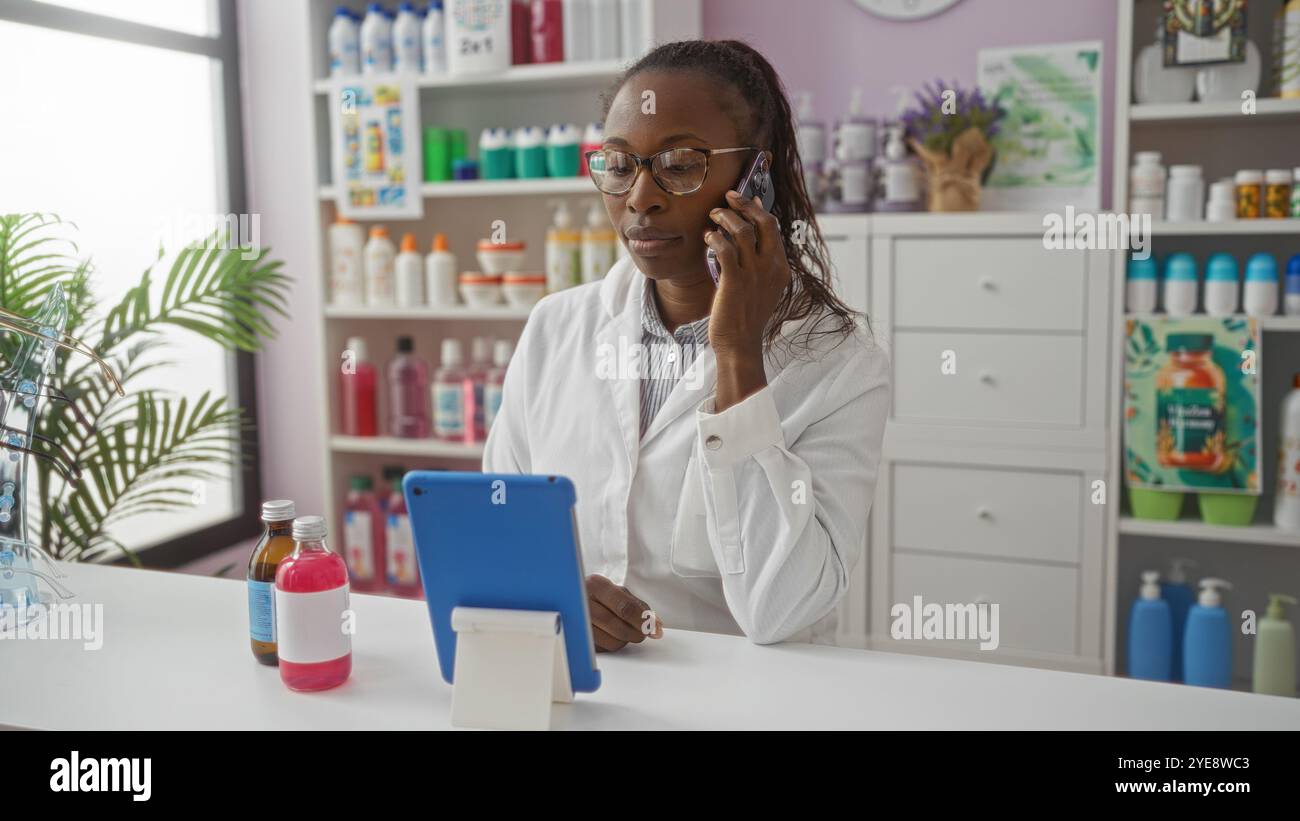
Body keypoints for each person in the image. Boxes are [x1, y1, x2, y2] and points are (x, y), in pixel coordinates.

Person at [483, 39, 890, 651]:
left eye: (679, 164)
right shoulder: (554, 328)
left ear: (759, 175)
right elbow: (498, 526)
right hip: (580, 688)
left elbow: (781, 608)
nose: (639, 199)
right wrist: (554, 593)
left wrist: (737, 355)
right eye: (619, 165)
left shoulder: (839, 364)